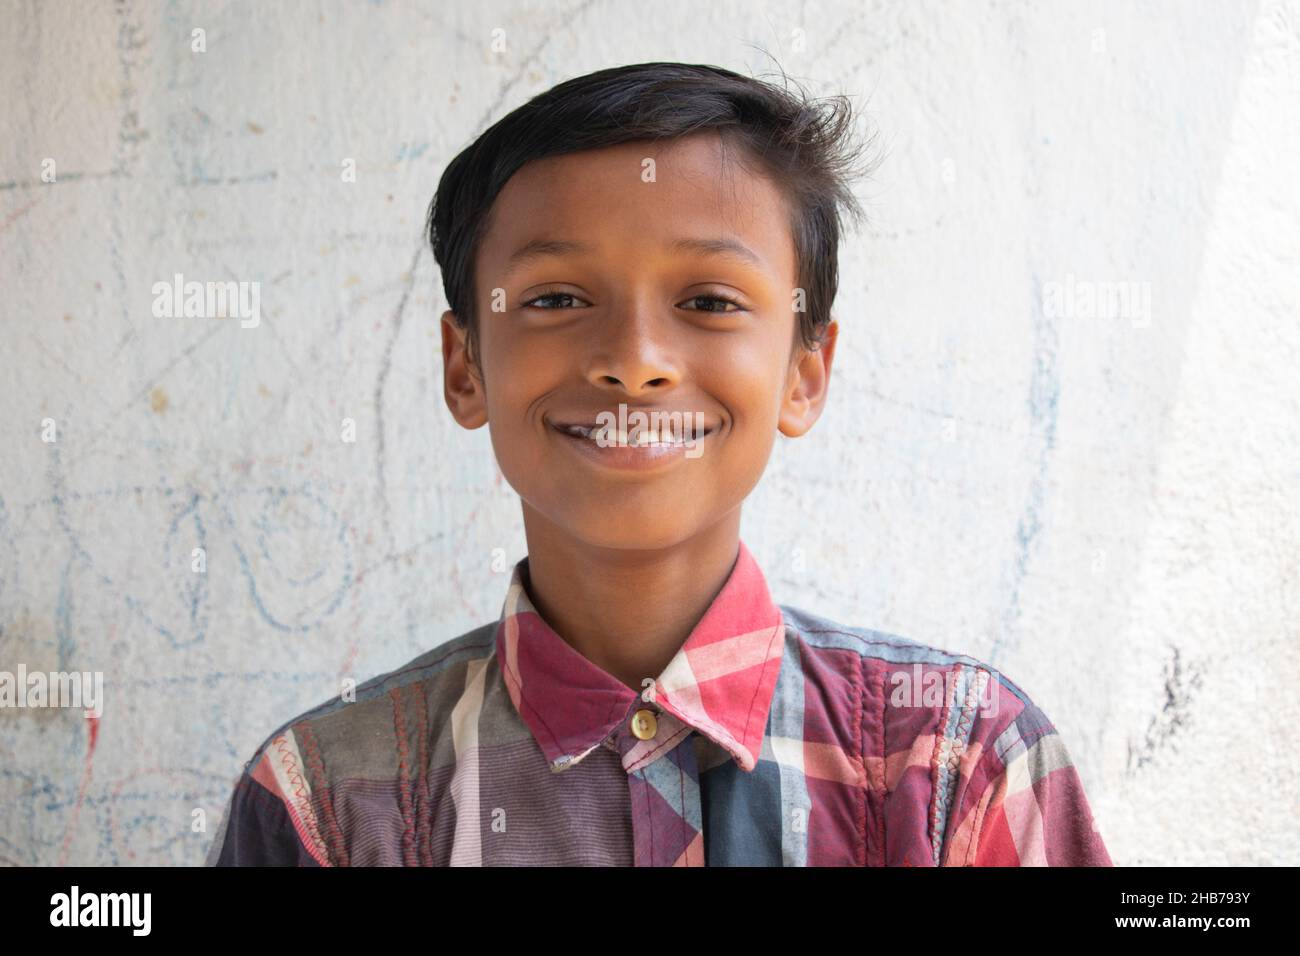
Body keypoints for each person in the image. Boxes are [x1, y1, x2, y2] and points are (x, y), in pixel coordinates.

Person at [206, 61, 1111, 866]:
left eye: (710, 301)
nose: (634, 357)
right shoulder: (329, 802)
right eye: (557, 297)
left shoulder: (958, 765)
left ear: (805, 374)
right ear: (465, 365)